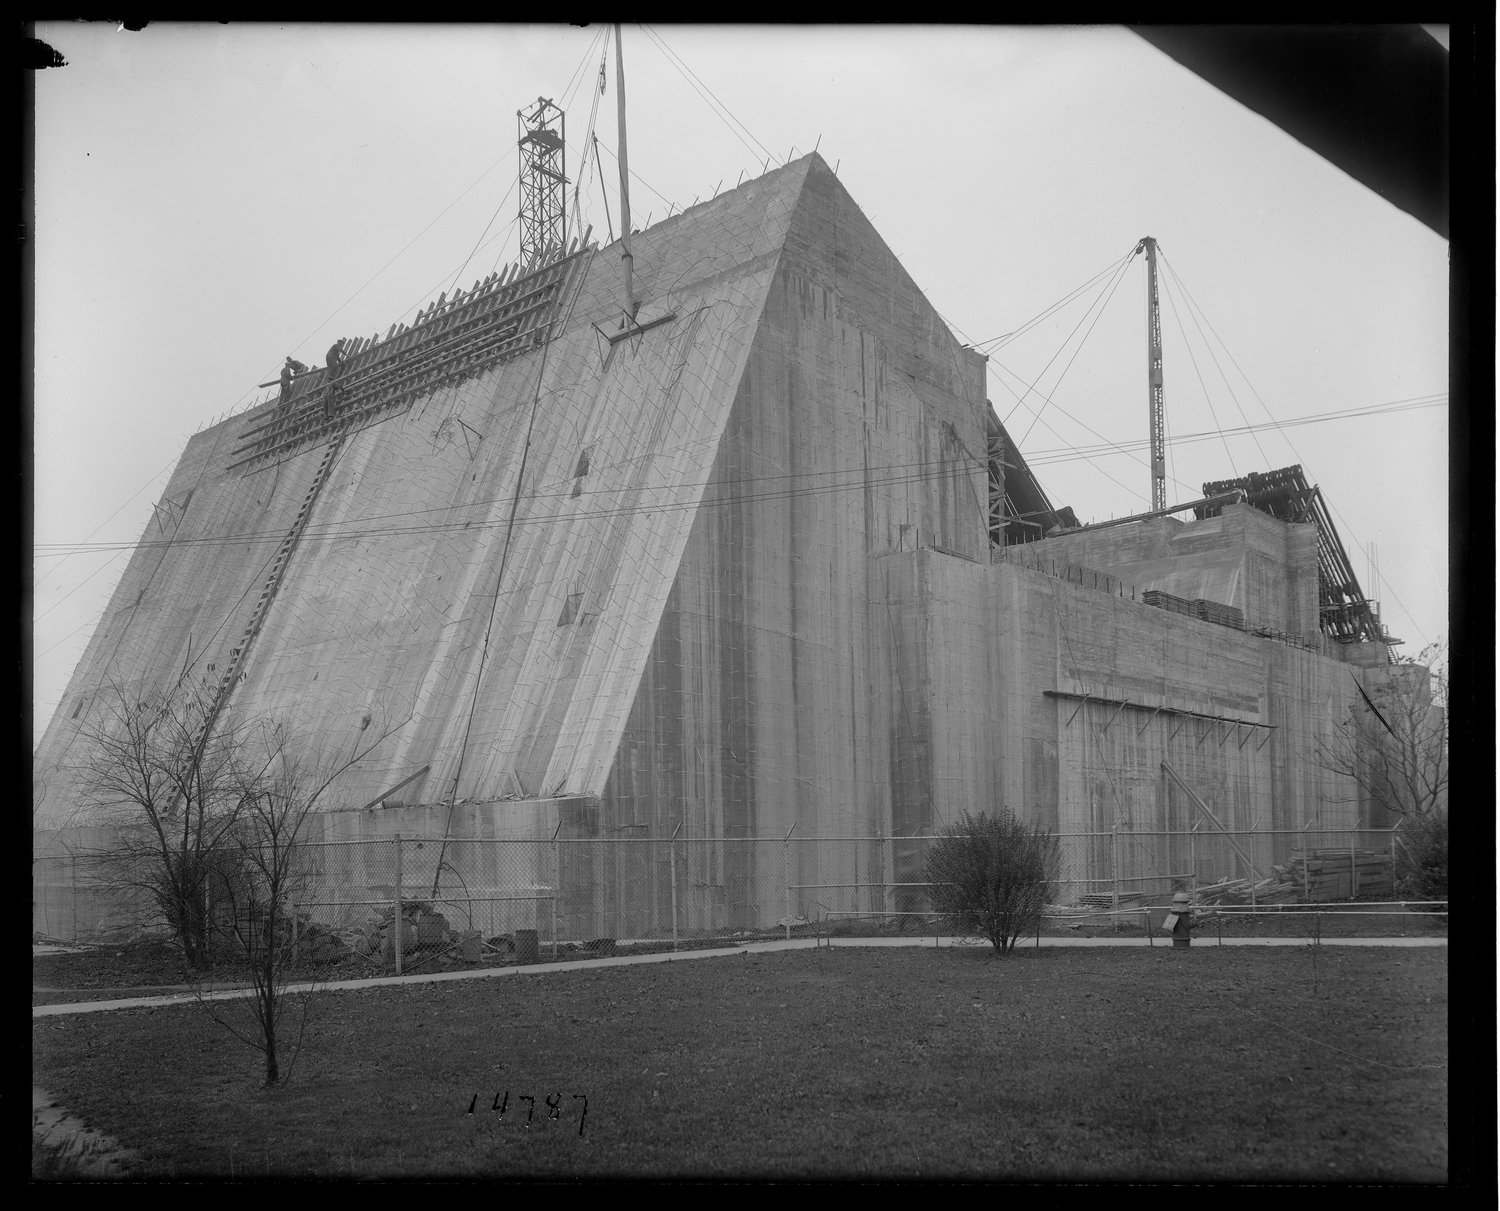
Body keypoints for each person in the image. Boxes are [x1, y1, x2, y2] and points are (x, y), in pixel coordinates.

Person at [323, 339, 345, 418]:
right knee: (334, 366)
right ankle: (331, 415)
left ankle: (326, 417)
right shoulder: (336, 346)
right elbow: (338, 386)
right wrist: (343, 390)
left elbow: (338, 357)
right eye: (341, 343)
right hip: (329, 395)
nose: (341, 344)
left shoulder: (327, 384)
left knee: (325, 405)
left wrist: (340, 361)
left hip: (325, 396)